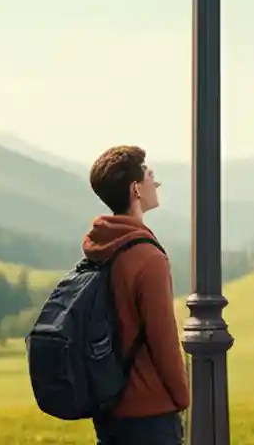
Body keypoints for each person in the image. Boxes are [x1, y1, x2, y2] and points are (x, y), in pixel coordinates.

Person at [82, 145, 190, 445]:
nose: (156, 183)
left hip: (108, 404)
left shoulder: (101, 248)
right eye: (150, 175)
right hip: (150, 414)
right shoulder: (147, 257)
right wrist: (181, 397)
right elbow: (163, 338)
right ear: (136, 189)